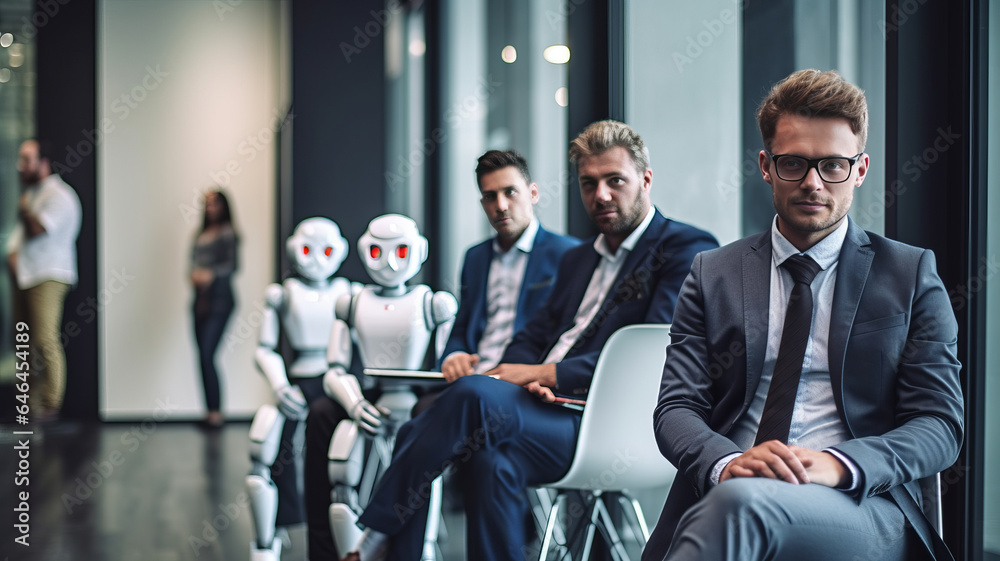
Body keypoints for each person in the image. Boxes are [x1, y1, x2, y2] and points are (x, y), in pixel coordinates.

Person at [342, 120, 719, 561]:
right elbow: (534, 334)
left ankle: (373, 535)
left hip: (611, 422)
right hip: (547, 408)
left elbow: (646, 354)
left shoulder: (684, 247)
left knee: (469, 395)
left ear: (646, 180)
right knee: (490, 459)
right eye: (589, 183)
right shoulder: (580, 258)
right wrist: (519, 377)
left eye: (615, 180)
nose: (600, 195)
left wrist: (548, 373)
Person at [641, 69, 964, 561]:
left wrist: (838, 463)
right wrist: (727, 463)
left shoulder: (910, 273)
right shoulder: (713, 273)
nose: (813, 183)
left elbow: (939, 424)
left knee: (741, 509)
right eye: (793, 164)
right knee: (739, 504)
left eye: (833, 165)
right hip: (730, 492)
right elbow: (676, 408)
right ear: (766, 166)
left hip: (860, 504)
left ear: (859, 169)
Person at [303, 149, 579, 559]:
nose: (500, 205)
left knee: (424, 422)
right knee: (345, 413)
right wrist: (456, 354)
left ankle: (379, 540)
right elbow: (461, 329)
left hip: (519, 389)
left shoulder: (567, 256)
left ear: (533, 192)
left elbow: (564, 337)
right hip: (464, 382)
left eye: (510, 192)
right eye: (489, 196)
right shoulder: (476, 258)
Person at [6, 139, 82, 423]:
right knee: (23, 341)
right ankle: (28, 406)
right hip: (24, 275)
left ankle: (51, 404)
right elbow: (20, 237)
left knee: (44, 339)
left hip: (49, 275)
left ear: (43, 162)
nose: (20, 166)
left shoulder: (60, 196)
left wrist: (25, 209)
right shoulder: (33, 194)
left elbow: (38, 229)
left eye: (27, 159)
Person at [189, 189, 239, 428]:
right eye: (206, 204)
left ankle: (217, 413)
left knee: (208, 354)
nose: (210, 208)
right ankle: (209, 411)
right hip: (199, 301)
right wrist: (194, 276)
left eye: (214, 204)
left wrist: (211, 275)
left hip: (220, 301)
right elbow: (191, 265)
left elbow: (232, 266)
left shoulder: (228, 234)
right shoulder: (200, 234)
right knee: (202, 356)